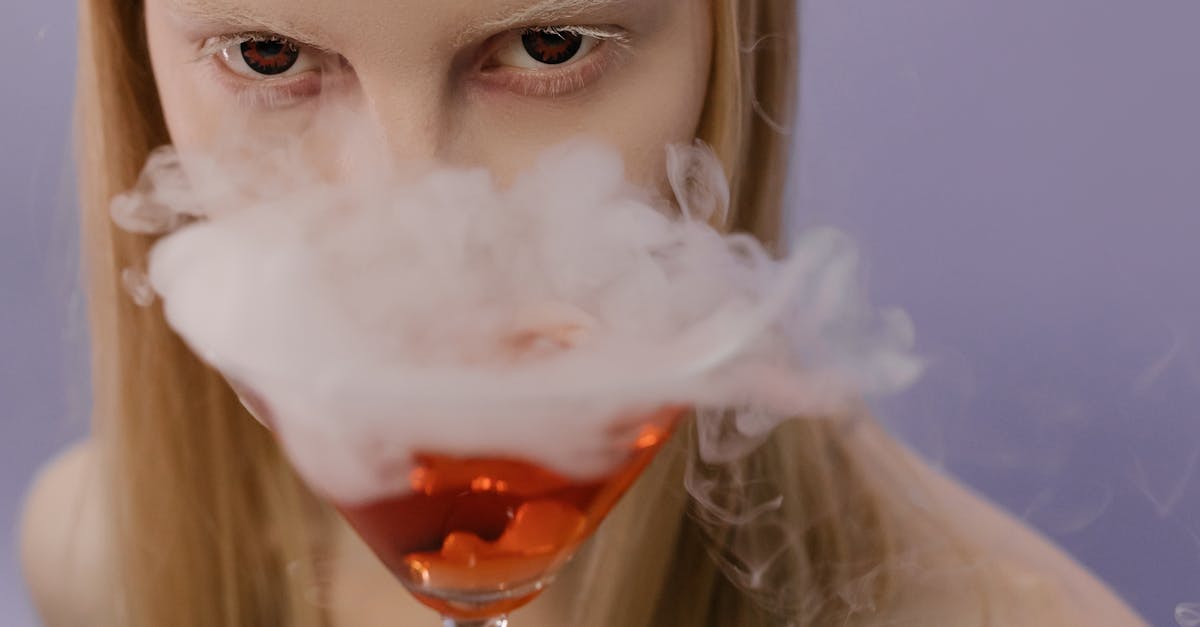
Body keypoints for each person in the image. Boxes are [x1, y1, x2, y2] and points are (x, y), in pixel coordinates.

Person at [20, 0, 1149, 625]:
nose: (426, 252)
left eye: (548, 44)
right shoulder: (98, 553)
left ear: (723, 40)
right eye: (267, 55)